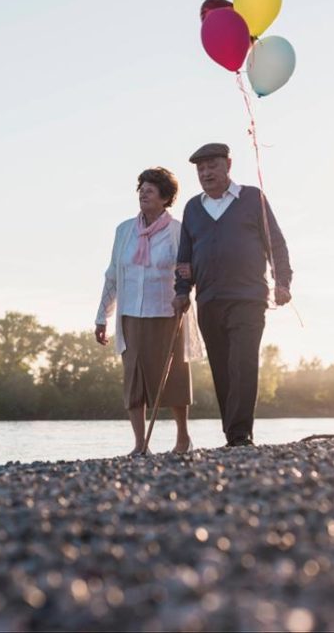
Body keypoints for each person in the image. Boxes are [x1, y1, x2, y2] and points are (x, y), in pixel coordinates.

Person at [172, 143, 292, 447]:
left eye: (212, 166)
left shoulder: (252, 198)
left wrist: (282, 282)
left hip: (248, 297)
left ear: (228, 164)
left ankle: (240, 434)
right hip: (209, 299)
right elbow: (184, 257)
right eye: (200, 169)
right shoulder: (192, 208)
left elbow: (275, 243)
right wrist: (181, 290)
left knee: (243, 362)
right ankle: (233, 434)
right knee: (222, 368)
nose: (206, 173)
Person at [95, 167, 203, 456]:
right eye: (141, 188)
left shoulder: (178, 231)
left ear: (165, 197)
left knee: (174, 375)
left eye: (150, 189)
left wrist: (184, 295)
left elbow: (185, 270)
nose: (143, 192)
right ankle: (140, 445)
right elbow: (113, 275)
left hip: (167, 312)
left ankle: (183, 439)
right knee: (134, 379)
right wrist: (101, 316)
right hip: (130, 315)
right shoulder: (124, 230)